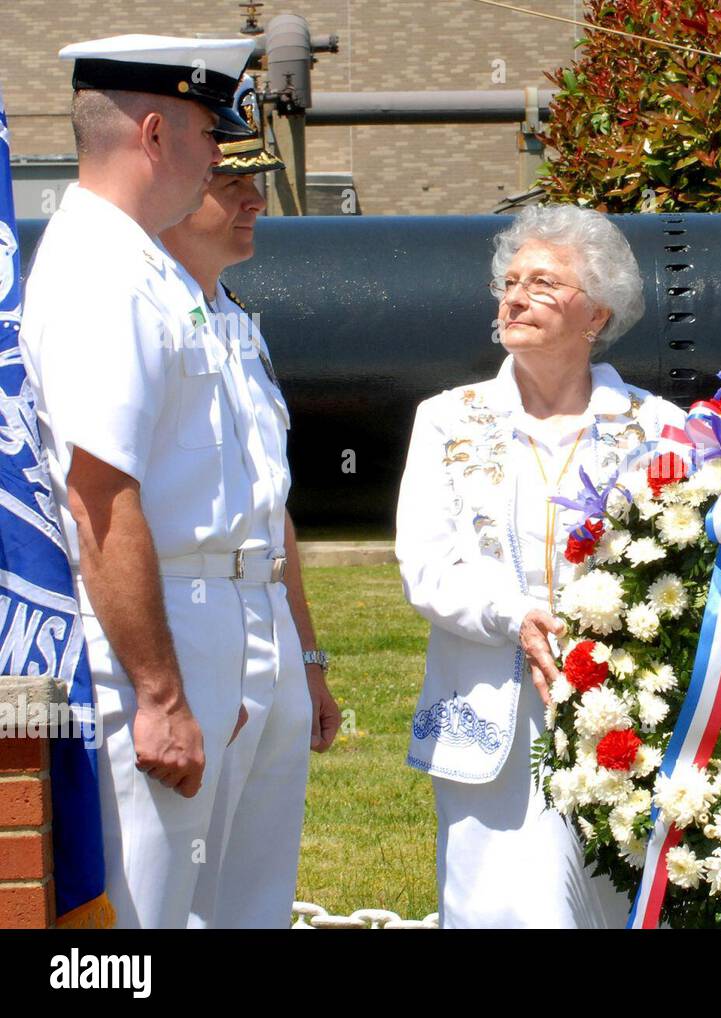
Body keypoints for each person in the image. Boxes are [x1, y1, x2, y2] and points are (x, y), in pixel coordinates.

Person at [18, 35, 321, 928]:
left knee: (237, 904)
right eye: (206, 133)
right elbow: (99, 496)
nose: (220, 160)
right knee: (148, 912)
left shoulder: (152, 271)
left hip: (224, 612)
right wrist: (159, 694)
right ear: (154, 134)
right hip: (165, 623)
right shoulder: (101, 273)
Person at [395, 204, 684, 928]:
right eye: (509, 282)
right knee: (491, 904)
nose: (515, 298)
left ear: (598, 313)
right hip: (487, 715)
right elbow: (426, 562)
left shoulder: (661, 428)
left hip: (623, 715)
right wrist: (512, 614)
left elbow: (686, 570)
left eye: (544, 284)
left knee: (616, 898)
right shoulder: (447, 418)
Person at [157, 74, 340, 928]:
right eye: (232, 184)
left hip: (261, 617)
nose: (254, 201)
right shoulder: (143, 310)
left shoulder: (238, 319)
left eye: (256, 182)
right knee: (175, 880)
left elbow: (272, 510)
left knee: (256, 885)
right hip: (185, 614)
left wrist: (309, 659)